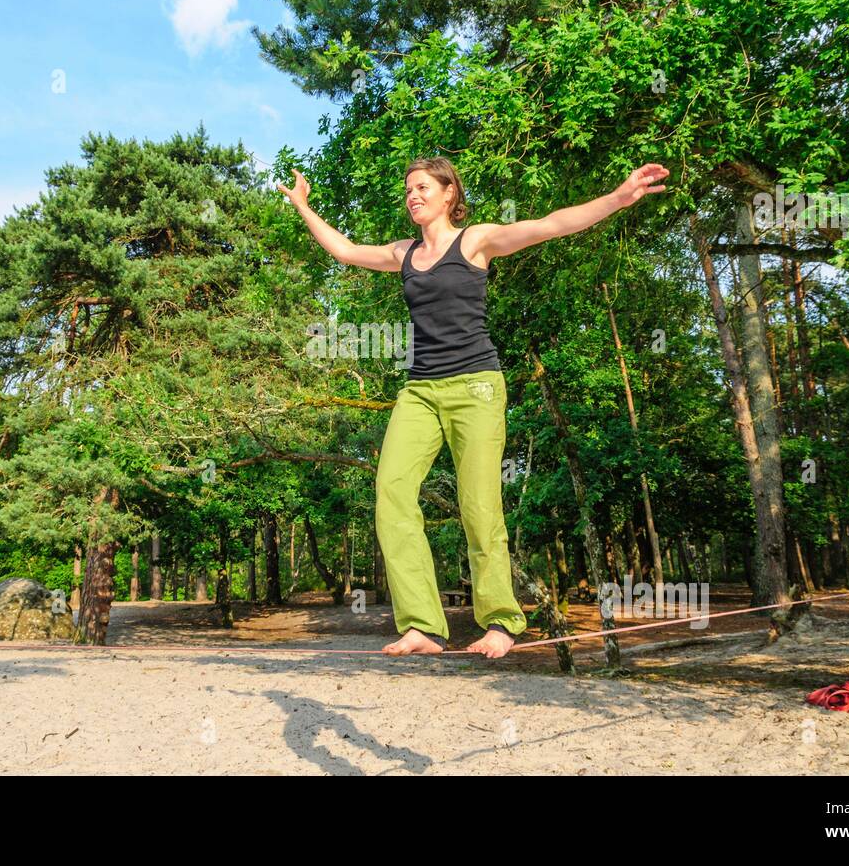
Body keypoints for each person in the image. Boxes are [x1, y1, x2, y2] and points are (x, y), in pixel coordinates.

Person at [278, 156, 669, 657]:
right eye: (408, 190)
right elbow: (347, 251)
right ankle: (422, 625)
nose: (412, 196)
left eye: (422, 187)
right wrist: (304, 207)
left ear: (448, 194)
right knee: (391, 493)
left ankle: (501, 622)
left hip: (477, 387)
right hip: (420, 389)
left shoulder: (476, 240)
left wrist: (619, 196)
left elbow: (549, 226)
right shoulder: (404, 252)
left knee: (479, 505)